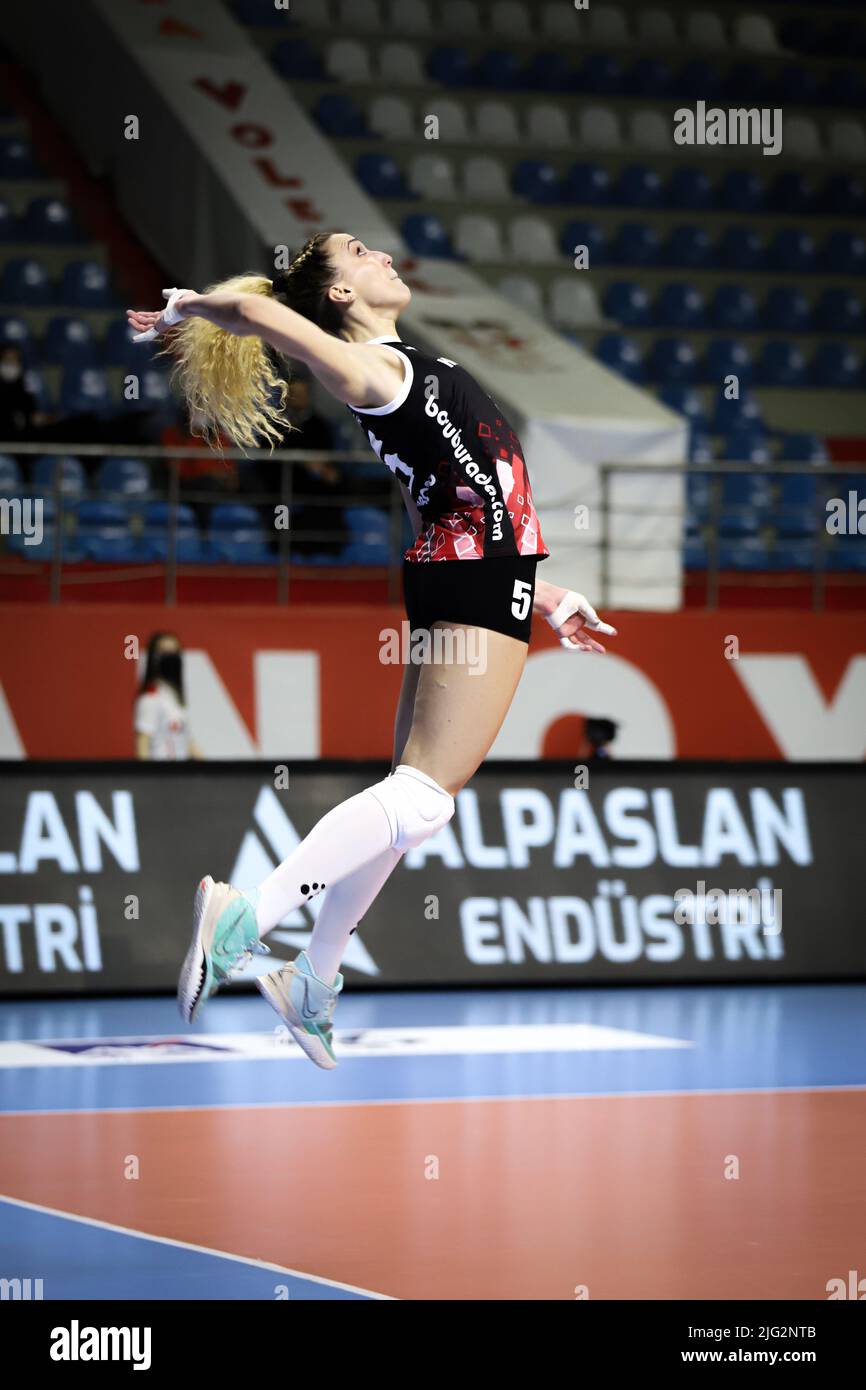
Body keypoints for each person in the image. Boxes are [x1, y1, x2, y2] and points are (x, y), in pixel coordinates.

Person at [127, 231, 617, 1069]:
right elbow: (255, 309)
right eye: (357, 252)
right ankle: (246, 913)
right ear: (341, 296)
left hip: (468, 575)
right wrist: (190, 303)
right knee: (427, 801)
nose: (381, 253)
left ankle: (313, 980)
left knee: (404, 808)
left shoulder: (404, 369)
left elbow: (463, 502)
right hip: (474, 579)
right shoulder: (371, 372)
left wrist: (546, 593)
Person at [134, 631, 202, 760]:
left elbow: (187, 742)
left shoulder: (175, 699)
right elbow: (142, 745)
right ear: (153, 657)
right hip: (160, 776)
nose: (170, 657)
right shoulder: (150, 698)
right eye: (164, 651)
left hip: (181, 776)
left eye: (174, 651)